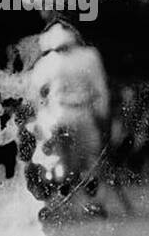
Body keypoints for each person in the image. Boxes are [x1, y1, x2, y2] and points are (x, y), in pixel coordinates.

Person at [28, 20, 111, 216]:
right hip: (83, 113)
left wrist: (43, 118)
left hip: (57, 115)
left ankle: (51, 202)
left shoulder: (45, 64)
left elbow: (35, 97)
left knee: (54, 160)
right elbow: (100, 90)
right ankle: (93, 202)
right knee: (90, 160)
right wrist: (102, 116)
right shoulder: (90, 57)